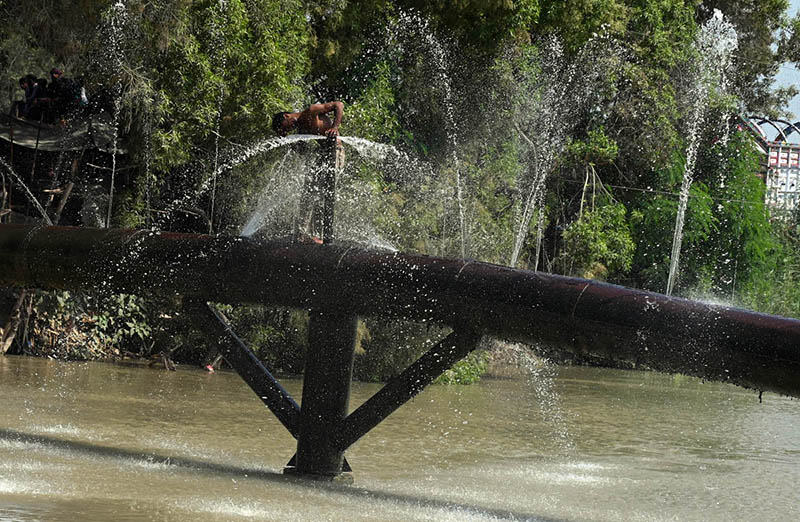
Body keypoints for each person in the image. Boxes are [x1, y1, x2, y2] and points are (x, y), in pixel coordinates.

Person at [272, 102, 345, 243]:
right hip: (322, 154)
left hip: (335, 151)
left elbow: (339, 105)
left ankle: (321, 236)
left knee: (323, 192)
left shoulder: (311, 111)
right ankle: (304, 234)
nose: (287, 130)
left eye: (284, 127)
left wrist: (335, 127)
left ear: (286, 116)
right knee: (308, 192)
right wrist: (286, 141)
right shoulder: (301, 130)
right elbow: (302, 151)